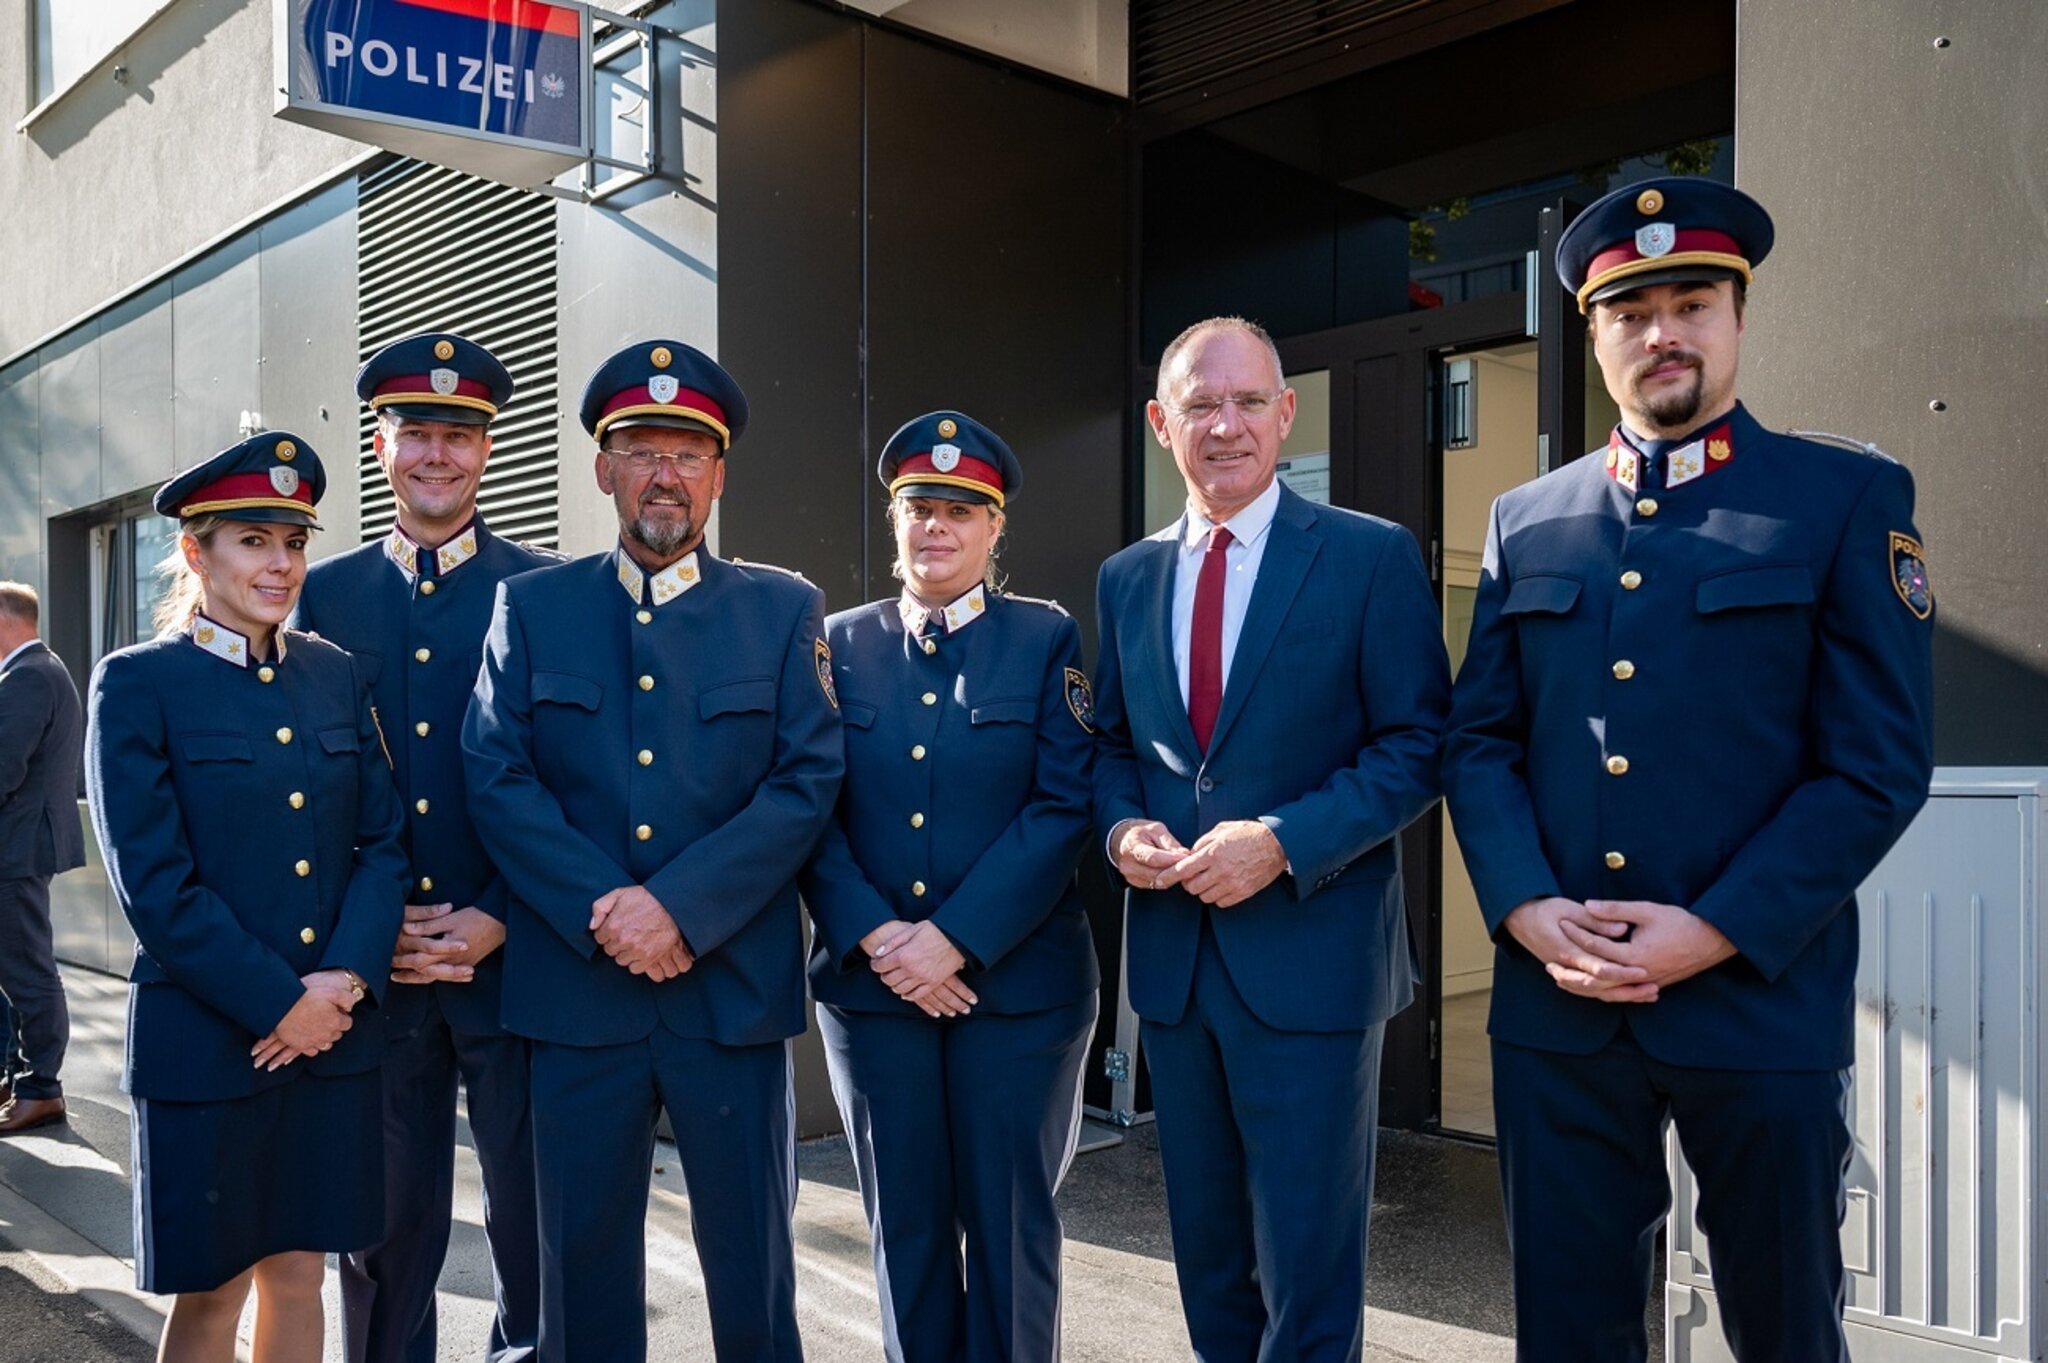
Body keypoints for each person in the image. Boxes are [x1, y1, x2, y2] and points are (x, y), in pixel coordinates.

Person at [1441, 177, 1936, 1363]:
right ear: (1593, 334)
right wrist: (1522, 907)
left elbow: (1873, 765)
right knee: (1569, 1330)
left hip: (1757, 1003)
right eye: (1628, 309)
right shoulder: (1527, 519)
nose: (1660, 330)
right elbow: (1479, 740)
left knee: (1779, 1325)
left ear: (1737, 317)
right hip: (1558, 1014)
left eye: (1690, 300)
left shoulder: (1842, 499)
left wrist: (1709, 929)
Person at [462, 339, 842, 1363]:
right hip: (577, 994)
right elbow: (495, 772)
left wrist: (675, 906)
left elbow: (805, 779)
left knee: (752, 1266)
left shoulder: (781, 608)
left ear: (717, 473)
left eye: (687, 452)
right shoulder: (532, 606)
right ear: (602, 468)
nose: (663, 474)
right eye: (638, 450)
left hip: (726, 994)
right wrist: (608, 909)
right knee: (579, 1273)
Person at [1092, 316, 1450, 1361]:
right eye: (1200, 404)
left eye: (1249, 401)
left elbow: (1416, 743)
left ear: (1286, 415)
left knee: (1307, 1261)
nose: (1226, 425)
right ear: (1163, 424)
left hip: (1312, 961)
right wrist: (1119, 830)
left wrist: (1284, 840)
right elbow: (1110, 744)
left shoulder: (1366, 557)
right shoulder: (1125, 579)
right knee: (1206, 1256)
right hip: (1176, 970)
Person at [84, 433, 407, 1362]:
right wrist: (283, 1003)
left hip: (330, 1033)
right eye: (253, 541)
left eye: (292, 542)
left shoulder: (332, 672)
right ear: (196, 552)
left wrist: (341, 981)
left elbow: (382, 846)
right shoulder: (139, 683)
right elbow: (155, 884)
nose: (280, 564)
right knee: (214, 1288)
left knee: (301, 1271)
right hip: (210, 1040)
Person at [801, 411, 1099, 1363]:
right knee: (908, 1232)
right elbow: (809, 809)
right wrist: (885, 941)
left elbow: (1063, 807)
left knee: (1010, 1232)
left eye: (960, 509)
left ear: (994, 525)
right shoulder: (835, 646)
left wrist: (954, 938)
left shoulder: (1045, 639)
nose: (937, 526)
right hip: (872, 993)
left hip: (1018, 994)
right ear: (894, 519)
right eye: (919, 506)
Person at [295, 333, 549, 1363]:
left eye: (458, 434)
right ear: (379, 442)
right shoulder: (319, 594)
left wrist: (496, 912)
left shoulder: (547, 591)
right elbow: (301, 794)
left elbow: (575, 786)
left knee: (532, 1223)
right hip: (378, 968)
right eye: (416, 433)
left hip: (515, 958)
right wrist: (369, 927)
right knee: (382, 1236)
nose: (436, 454)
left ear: (487, 450)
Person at [0, 581, 85, 1135]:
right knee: (14, 970)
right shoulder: (41, 671)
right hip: (21, 845)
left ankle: (41, 1088)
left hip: (17, 848)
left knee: (27, 971)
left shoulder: (28, 675)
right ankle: (18, 1077)